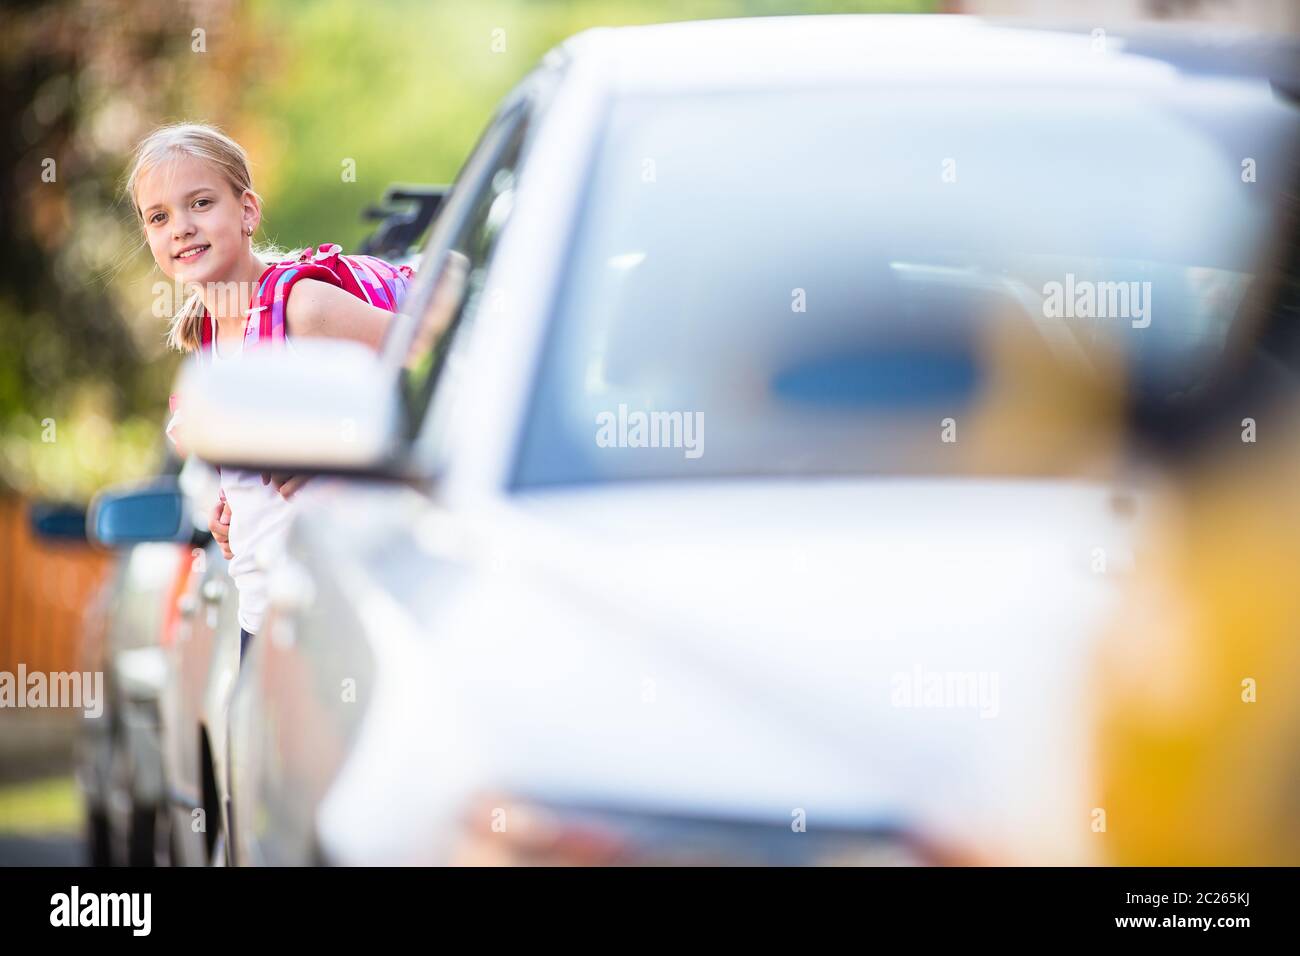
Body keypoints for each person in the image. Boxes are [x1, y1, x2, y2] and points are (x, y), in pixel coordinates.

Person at [125, 122, 402, 662]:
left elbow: (436, 376)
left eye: (200, 203)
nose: (181, 227)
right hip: (259, 618)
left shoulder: (305, 308)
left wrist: (336, 453)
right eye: (159, 217)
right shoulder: (208, 338)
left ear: (247, 211)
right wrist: (231, 506)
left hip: (329, 619)